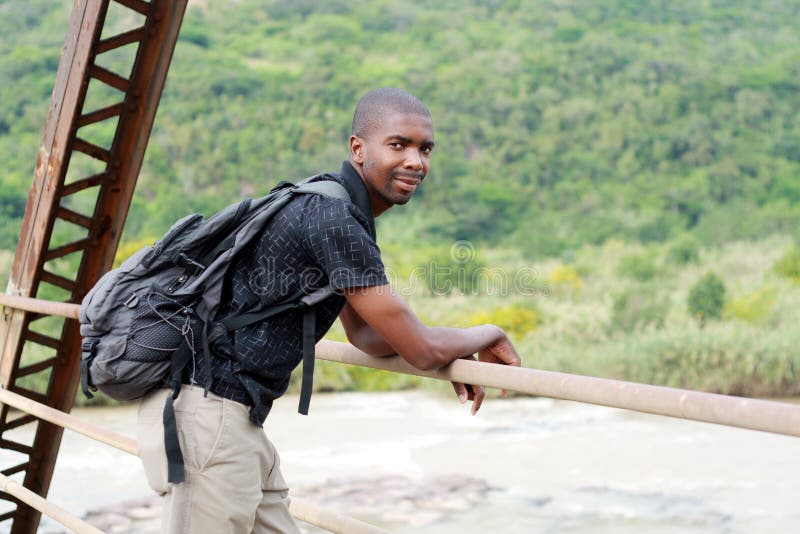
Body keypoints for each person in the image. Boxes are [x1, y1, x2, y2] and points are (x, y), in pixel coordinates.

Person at [136, 87, 521, 533]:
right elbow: (420, 349)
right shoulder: (333, 217)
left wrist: (450, 351)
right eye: (399, 145)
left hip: (232, 418)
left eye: (425, 148)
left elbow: (368, 337)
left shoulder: (334, 205)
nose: (416, 161)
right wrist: (489, 333)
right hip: (208, 418)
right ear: (358, 148)